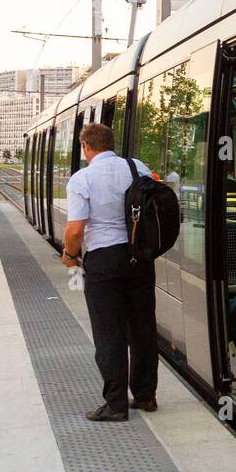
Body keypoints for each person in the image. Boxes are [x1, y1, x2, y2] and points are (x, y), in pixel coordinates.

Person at [61, 123, 158, 422]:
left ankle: (116, 405)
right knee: (142, 329)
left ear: (86, 147)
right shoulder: (138, 167)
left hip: (104, 261)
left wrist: (70, 256)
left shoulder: (82, 178)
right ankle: (145, 396)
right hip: (140, 258)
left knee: (109, 334)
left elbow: (76, 229)